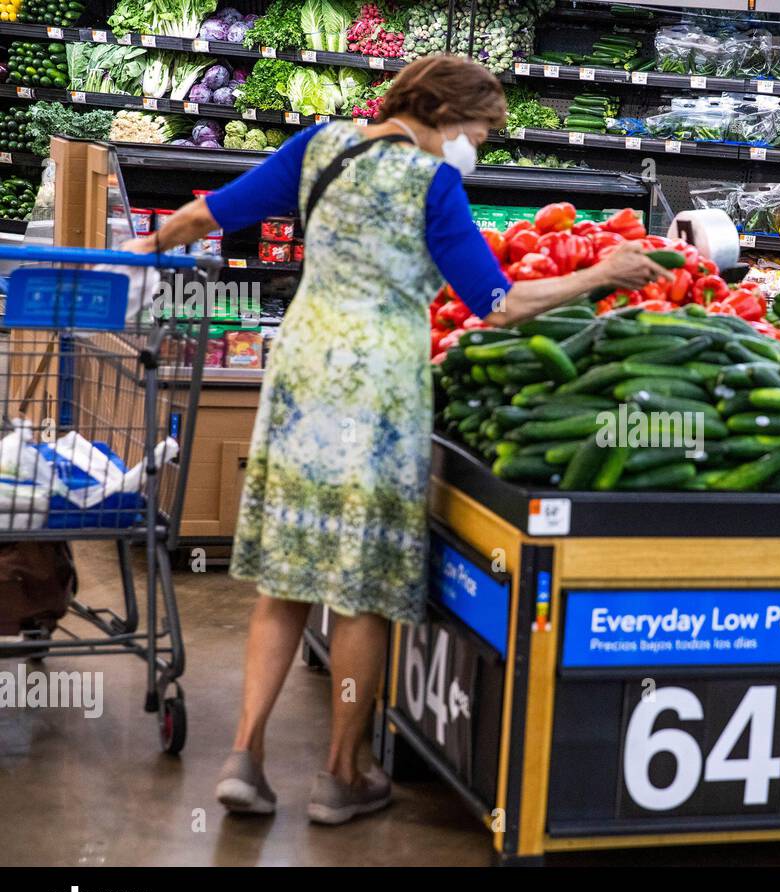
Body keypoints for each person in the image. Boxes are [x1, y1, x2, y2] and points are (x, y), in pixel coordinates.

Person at [123, 55, 669, 825]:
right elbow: (500, 304)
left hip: (302, 373)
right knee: (363, 589)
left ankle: (244, 755)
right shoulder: (432, 183)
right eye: (482, 129)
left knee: (286, 577)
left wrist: (143, 254)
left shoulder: (320, 146)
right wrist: (598, 275)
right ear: (448, 114)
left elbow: (209, 213)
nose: (479, 143)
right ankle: (341, 773)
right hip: (379, 389)